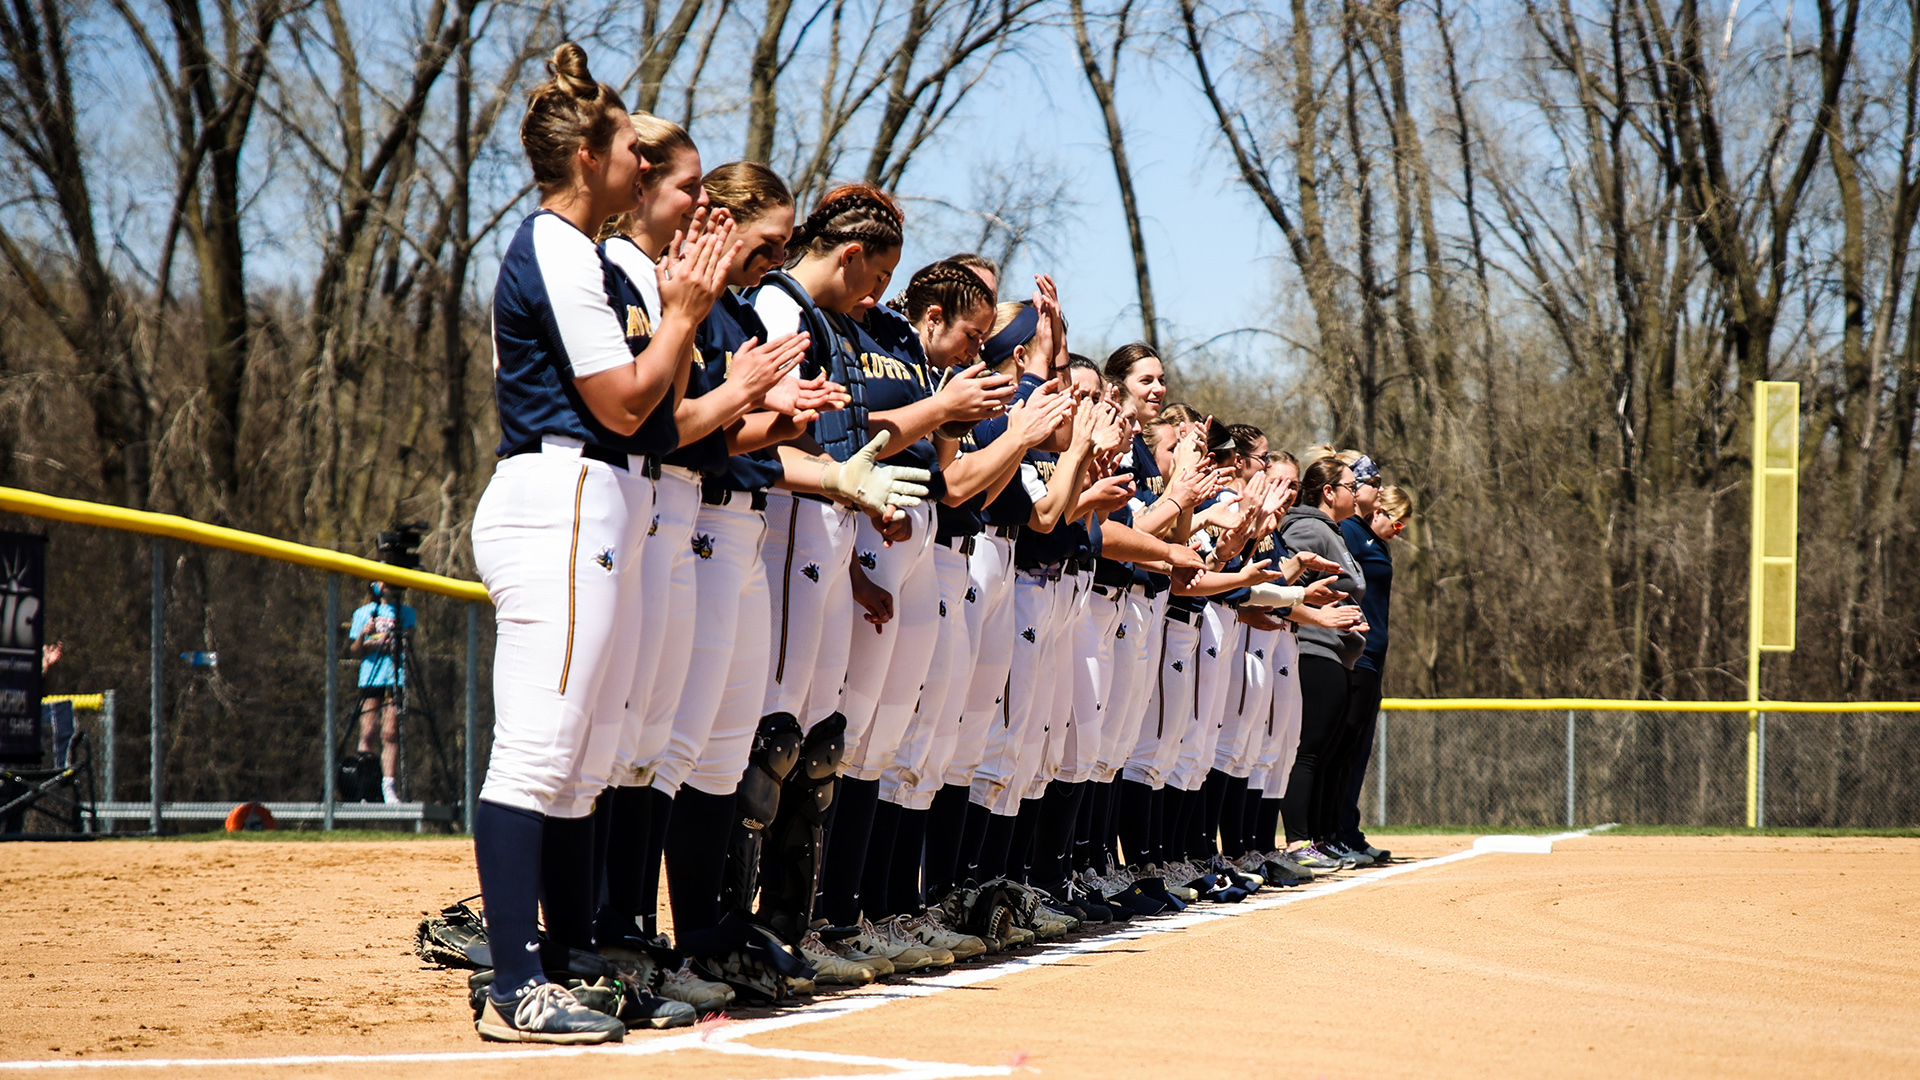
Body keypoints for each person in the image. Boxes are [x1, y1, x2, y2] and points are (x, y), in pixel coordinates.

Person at [467, 41, 732, 1044]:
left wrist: (679, 320)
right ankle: (513, 983)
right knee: (538, 755)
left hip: (593, 500)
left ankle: (572, 960)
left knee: (579, 761)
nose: (636, 157)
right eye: (626, 142)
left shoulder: (580, 250)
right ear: (587, 155)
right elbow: (625, 404)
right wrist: (682, 315)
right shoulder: (557, 246)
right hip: (561, 494)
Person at [1276, 455, 1370, 871]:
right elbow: (1286, 579)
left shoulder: (1329, 529)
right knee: (1307, 753)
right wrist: (1316, 605)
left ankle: (1317, 838)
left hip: (1332, 648)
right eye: (1351, 485)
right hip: (1312, 646)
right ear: (1329, 492)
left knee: (1326, 754)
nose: (1357, 492)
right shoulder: (1307, 526)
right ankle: (1299, 841)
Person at [1333, 479, 1410, 864]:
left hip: (1375, 654)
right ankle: (1334, 832)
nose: (1400, 532)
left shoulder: (1374, 540)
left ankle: (1348, 828)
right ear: (1379, 513)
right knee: (1343, 748)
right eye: (1397, 523)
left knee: (1359, 750)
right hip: (1356, 651)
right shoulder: (1351, 531)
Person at [348, 581, 416, 804]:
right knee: (367, 731)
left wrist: (388, 640)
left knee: (390, 732)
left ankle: (388, 786)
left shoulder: (406, 613)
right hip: (370, 678)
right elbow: (356, 650)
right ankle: (364, 786)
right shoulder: (363, 613)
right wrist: (363, 636)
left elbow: (406, 641)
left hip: (394, 678)